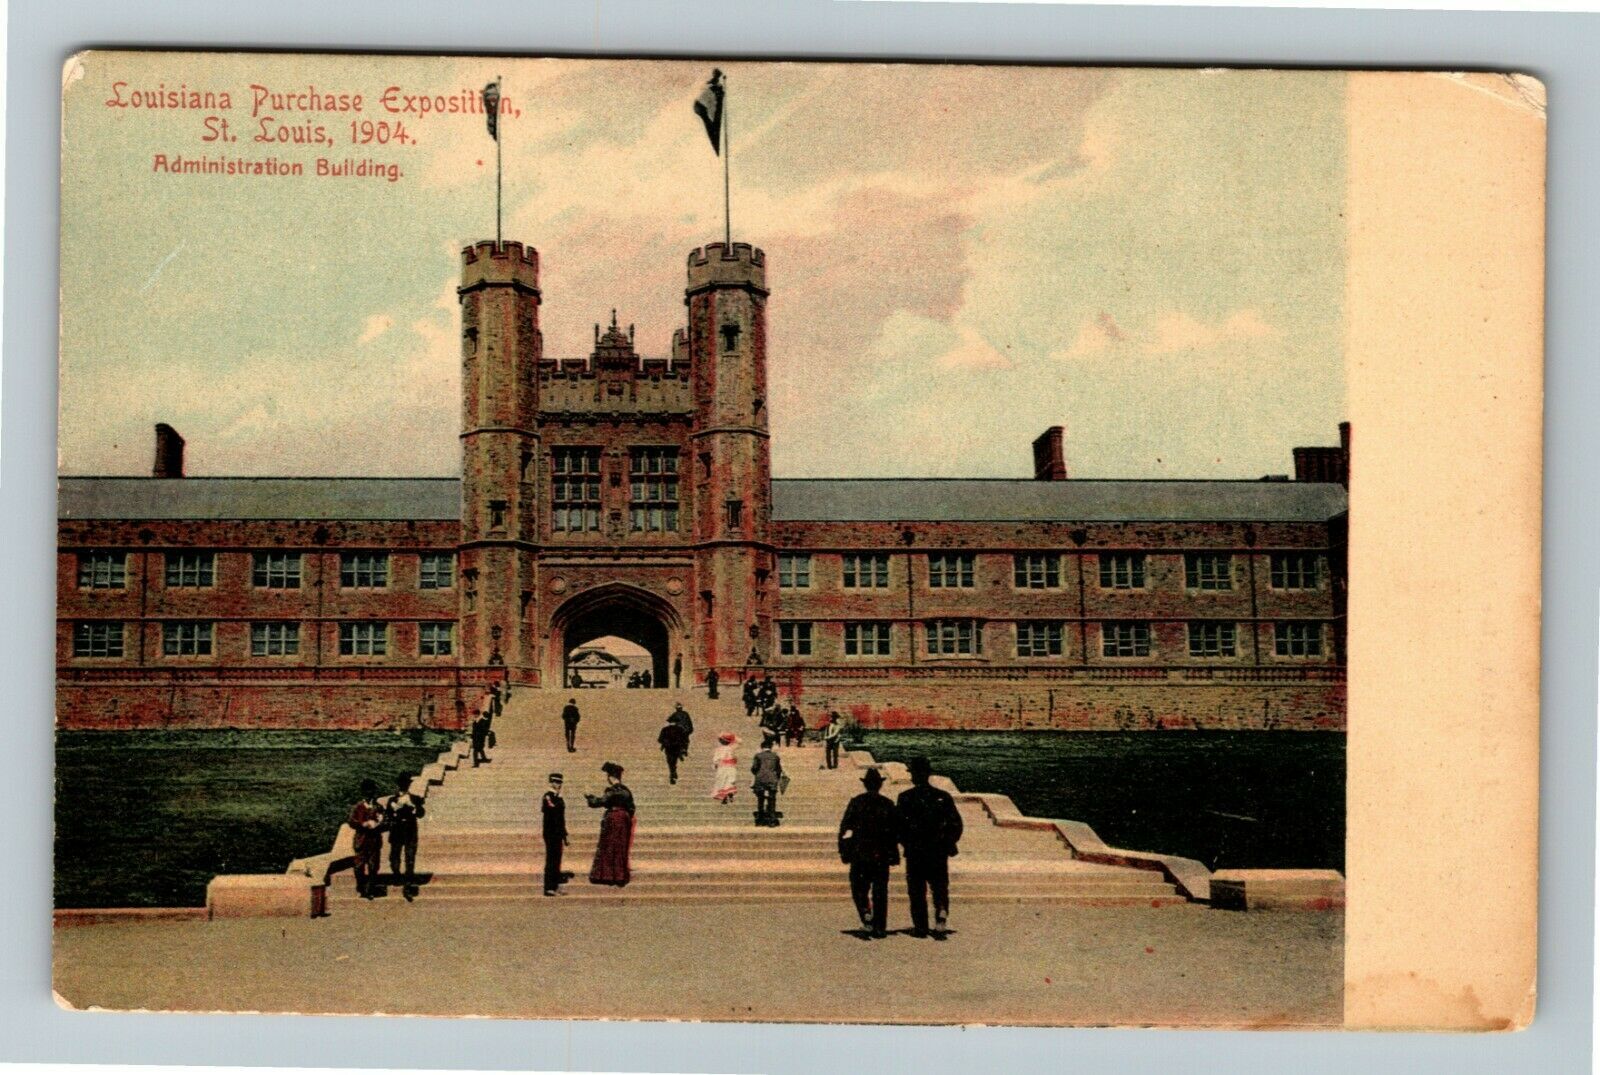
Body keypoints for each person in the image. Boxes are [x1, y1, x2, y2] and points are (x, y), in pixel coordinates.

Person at [896, 756, 965, 936]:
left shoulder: (905, 798)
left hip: (915, 850)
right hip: (938, 850)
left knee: (917, 890)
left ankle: (921, 926)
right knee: (939, 886)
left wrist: (906, 843)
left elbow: (899, 826)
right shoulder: (943, 796)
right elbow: (956, 824)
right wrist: (948, 842)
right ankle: (941, 913)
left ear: (914, 775)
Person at [838, 768, 899, 937]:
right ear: (880, 785)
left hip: (860, 853)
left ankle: (865, 912)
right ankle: (880, 927)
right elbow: (894, 831)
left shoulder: (856, 802)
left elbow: (845, 828)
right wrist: (894, 854)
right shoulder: (887, 803)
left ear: (865, 785)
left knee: (859, 888)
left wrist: (844, 850)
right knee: (880, 891)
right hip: (881, 854)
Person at [585, 762, 635, 886]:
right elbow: (632, 807)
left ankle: (606, 875)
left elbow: (600, 802)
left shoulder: (612, 790)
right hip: (624, 819)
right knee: (620, 847)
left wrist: (589, 797)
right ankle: (619, 876)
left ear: (611, 777)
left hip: (613, 819)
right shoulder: (626, 791)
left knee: (608, 846)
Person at [382, 772, 425, 894]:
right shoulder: (392, 800)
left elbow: (421, 814)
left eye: (406, 783)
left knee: (410, 856)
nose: (404, 786)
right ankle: (396, 875)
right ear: (399, 785)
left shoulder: (415, 798)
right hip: (397, 830)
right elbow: (388, 815)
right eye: (402, 784)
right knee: (394, 856)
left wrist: (414, 807)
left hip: (410, 830)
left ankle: (408, 881)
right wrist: (395, 810)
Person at [347, 779, 386, 899]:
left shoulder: (378, 807)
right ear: (363, 792)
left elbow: (385, 822)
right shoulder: (358, 807)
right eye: (367, 791)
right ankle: (361, 886)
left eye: (371, 791)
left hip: (374, 840)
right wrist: (363, 824)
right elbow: (351, 821)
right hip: (361, 840)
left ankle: (369, 889)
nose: (369, 793)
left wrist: (379, 823)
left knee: (373, 866)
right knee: (359, 866)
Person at [541, 773, 569, 896]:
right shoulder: (548, 796)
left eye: (560, 783)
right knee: (551, 860)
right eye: (556, 782)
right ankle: (549, 888)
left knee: (557, 860)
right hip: (551, 833)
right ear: (551, 783)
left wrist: (564, 834)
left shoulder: (558, 797)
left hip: (558, 833)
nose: (558, 785)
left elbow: (561, 819)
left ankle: (555, 886)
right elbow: (553, 810)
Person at [751, 736, 784, 826]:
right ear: (771, 747)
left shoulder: (758, 756)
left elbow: (754, 768)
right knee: (772, 799)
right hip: (772, 779)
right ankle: (772, 820)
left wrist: (757, 774)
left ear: (762, 747)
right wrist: (776, 778)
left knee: (760, 799)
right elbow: (779, 769)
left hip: (760, 779)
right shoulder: (775, 756)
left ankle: (760, 819)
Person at [658, 717, 689, 784]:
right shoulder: (680, 729)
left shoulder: (665, 729)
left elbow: (660, 739)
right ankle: (673, 771)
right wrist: (684, 748)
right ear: (677, 722)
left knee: (670, 761)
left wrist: (665, 743)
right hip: (677, 748)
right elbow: (685, 740)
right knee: (674, 760)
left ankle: (672, 772)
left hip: (668, 748)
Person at [711, 732, 739, 804]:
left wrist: (715, 765)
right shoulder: (731, 749)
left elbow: (715, 759)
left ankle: (724, 796)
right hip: (731, 767)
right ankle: (729, 792)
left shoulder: (718, 749)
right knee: (730, 781)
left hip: (722, 767)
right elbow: (735, 758)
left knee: (722, 781)